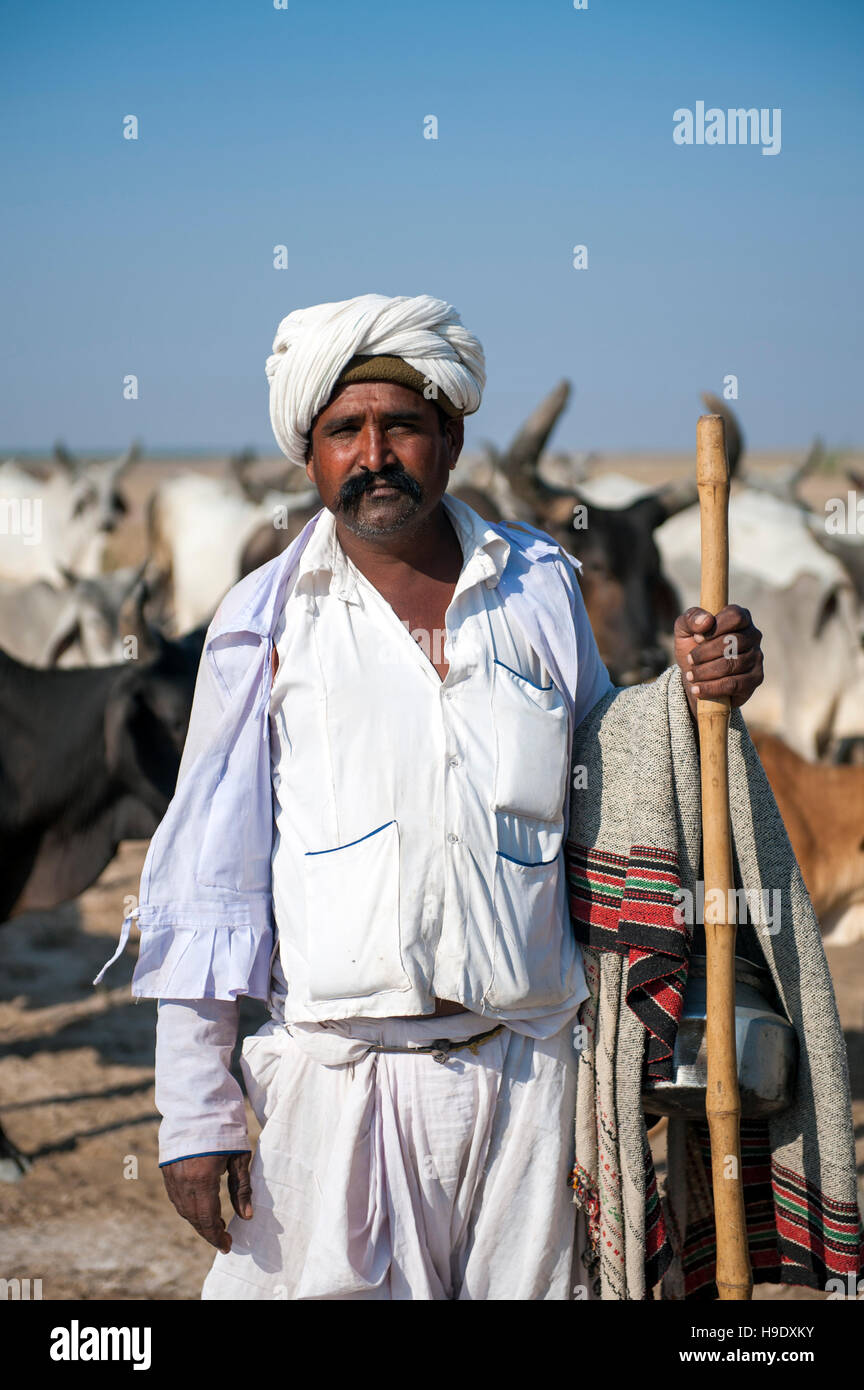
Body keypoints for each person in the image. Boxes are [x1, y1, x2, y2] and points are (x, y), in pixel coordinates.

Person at [96, 293, 764, 1300]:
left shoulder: (539, 584)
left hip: (533, 1080)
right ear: (309, 454)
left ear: (449, 436)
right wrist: (194, 1113)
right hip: (341, 1089)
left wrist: (690, 694)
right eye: (344, 431)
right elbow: (210, 879)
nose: (374, 454)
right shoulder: (262, 623)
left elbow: (608, 770)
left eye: (402, 424)